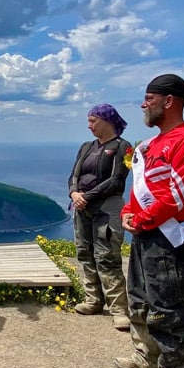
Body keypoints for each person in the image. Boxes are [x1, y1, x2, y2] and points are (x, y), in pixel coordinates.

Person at [115, 74, 184, 368]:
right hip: (144, 234)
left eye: (149, 98)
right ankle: (146, 356)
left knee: (169, 306)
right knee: (139, 297)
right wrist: (128, 211)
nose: (143, 104)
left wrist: (139, 219)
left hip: (168, 237)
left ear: (169, 101)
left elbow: (179, 195)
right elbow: (140, 191)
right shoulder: (151, 145)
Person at [68, 104, 131, 329]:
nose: (89, 125)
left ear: (107, 120)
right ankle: (93, 300)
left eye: (93, 120)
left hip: (107, 208)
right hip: (82, 208)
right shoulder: (86, 147)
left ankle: (119, 309)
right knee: (85, 253)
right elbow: (74, 174)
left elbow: (117, 179)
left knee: (107, 256)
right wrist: (74, 193)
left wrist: (86, 196)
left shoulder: (124, 147)